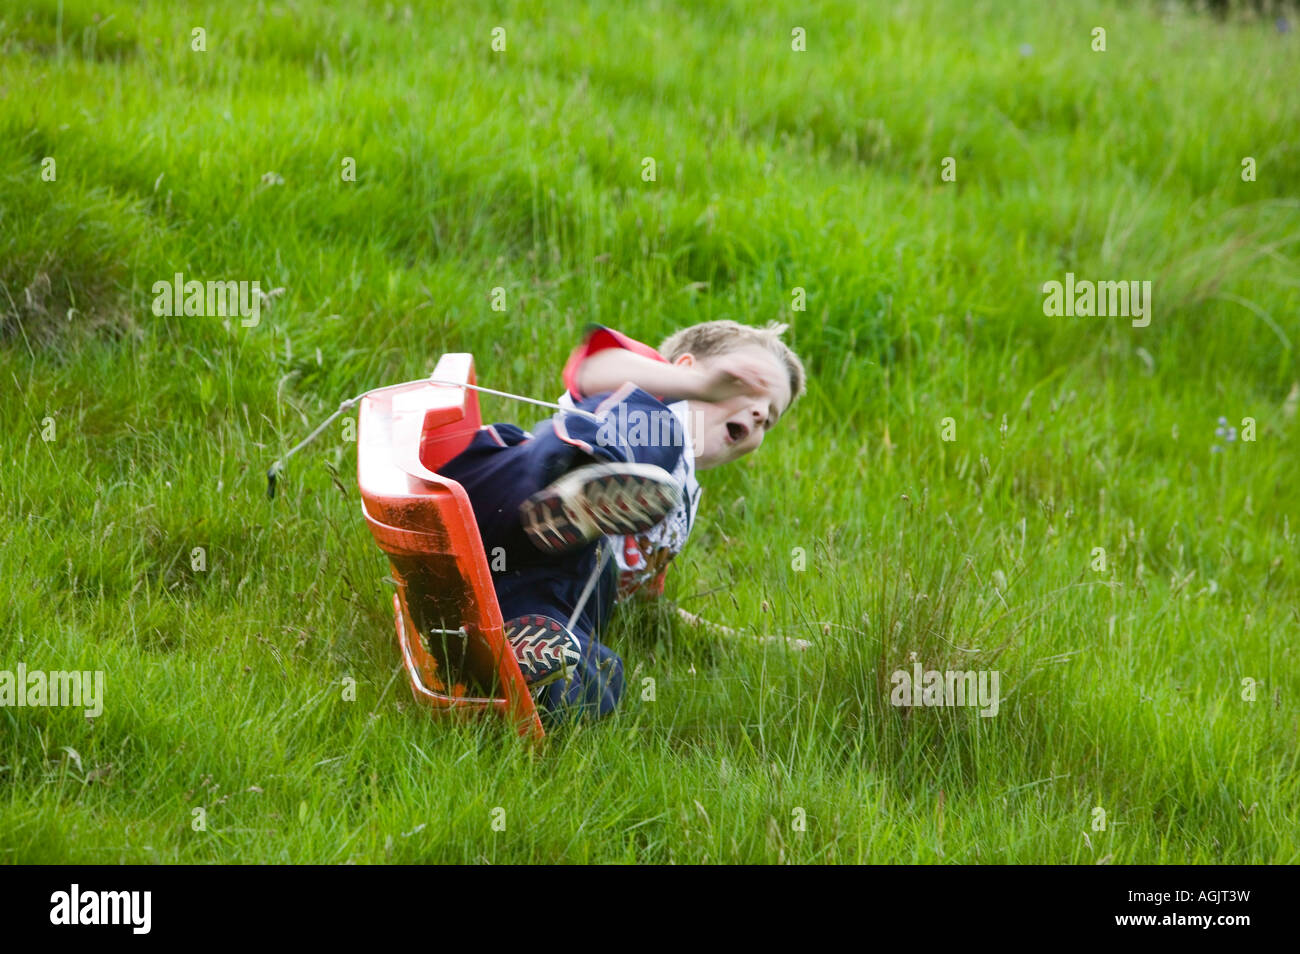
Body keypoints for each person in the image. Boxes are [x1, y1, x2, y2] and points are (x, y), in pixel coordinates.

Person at [439, 320, 806, 721]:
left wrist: (753, 642)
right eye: (746, 388)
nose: (759, 412)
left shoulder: (675, 507)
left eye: (769, 418)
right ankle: (586, 475)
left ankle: (519, 668)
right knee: (658, 432)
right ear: (684, 368)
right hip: (505, 498)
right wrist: (698, 386)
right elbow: (593, 368)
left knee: (600, 670)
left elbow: (648, 605)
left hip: (525, 583)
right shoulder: (655, 400)